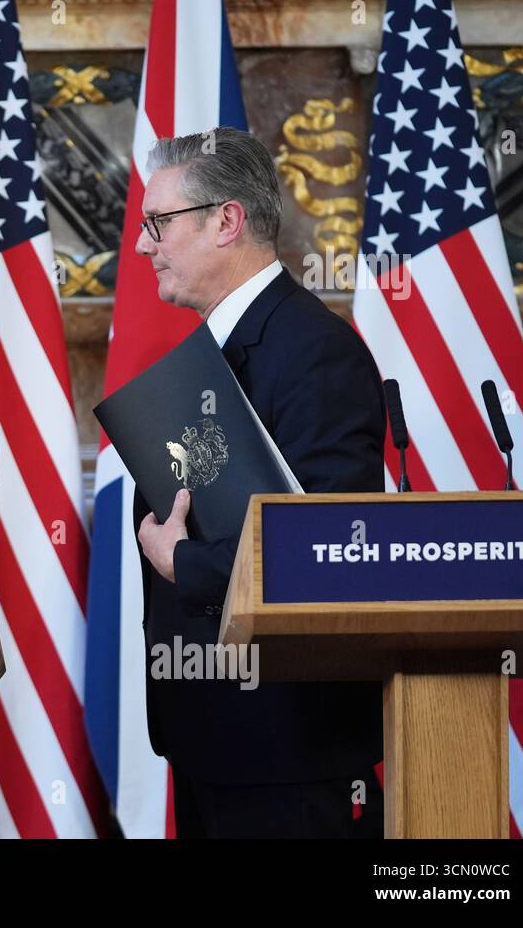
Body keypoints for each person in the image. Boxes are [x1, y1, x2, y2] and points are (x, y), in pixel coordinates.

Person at [133, 127, 385, 838]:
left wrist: (187, 562)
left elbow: (334, 541)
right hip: (218, 735)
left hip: (291, 743)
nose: (143, 245)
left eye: (158, 223)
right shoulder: (213, 348)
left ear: (226, 220)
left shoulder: (313, 353)